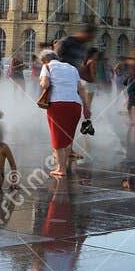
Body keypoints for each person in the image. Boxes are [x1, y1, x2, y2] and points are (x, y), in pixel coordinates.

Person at [39, 47, 89, 178]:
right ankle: (62, 166)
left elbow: (45, 84)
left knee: (57, 136)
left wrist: (42, 81)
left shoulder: (47, 67)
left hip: (57, 104)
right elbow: (81, 89)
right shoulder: (72, 68)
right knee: (67, 137)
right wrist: (86, 107)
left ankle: (61, 168)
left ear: (45, 60)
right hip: (75, 104)